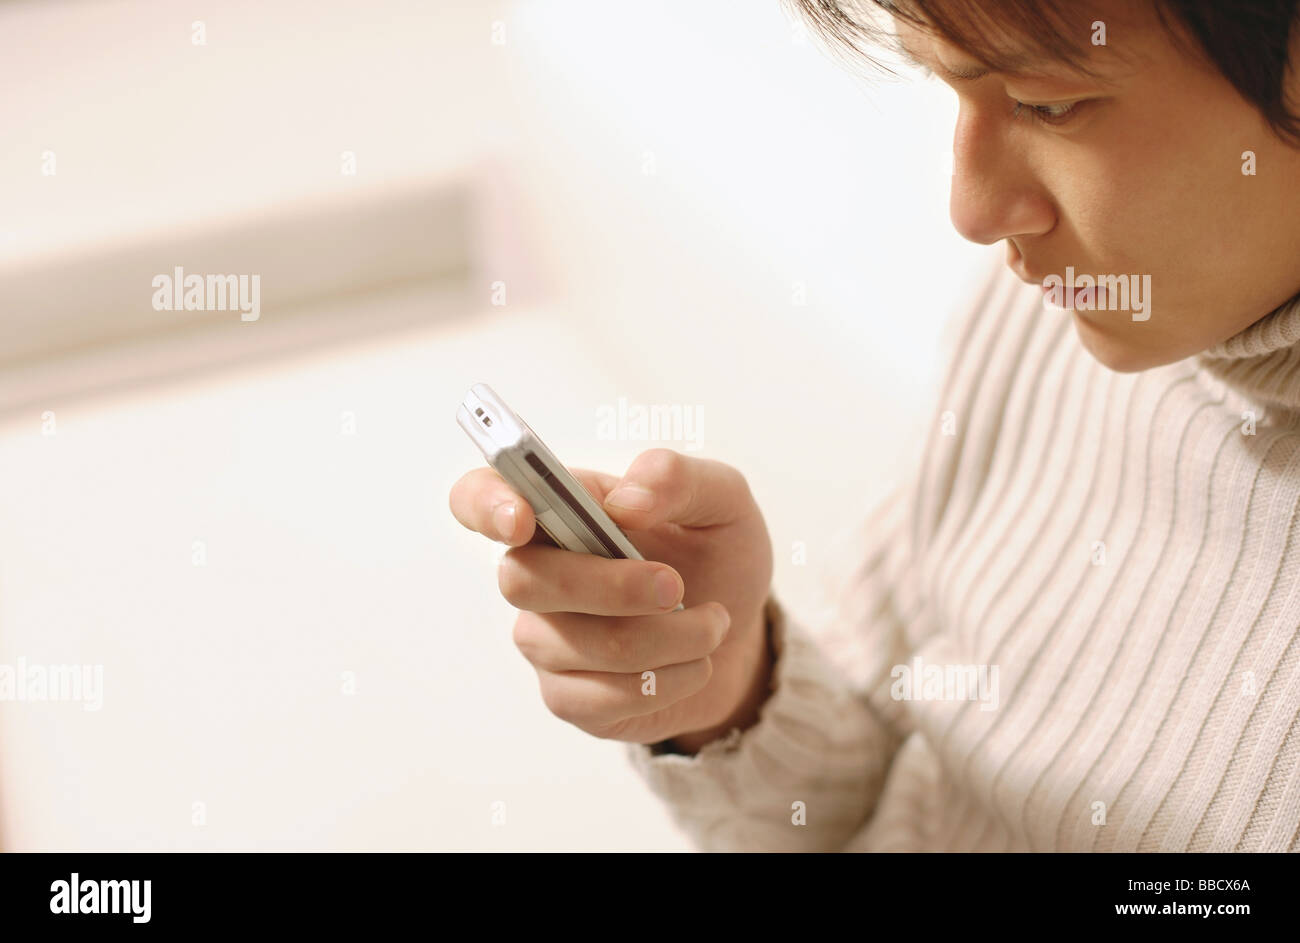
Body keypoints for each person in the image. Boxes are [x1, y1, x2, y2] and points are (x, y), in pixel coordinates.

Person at [448, 0, 1300, 851]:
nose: (972, 210)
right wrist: (732, 692)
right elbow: (862, 795)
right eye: (954, 87)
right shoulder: (1050, 317)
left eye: (1049, 105)